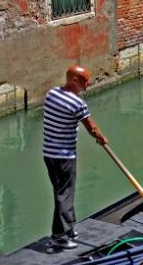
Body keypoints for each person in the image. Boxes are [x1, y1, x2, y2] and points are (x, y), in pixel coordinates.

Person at [43, 65, 107, 252]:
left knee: (62, 193)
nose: (87, 86)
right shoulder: (78, 104)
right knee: (65, 195)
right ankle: (59, 238)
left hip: (48, 154)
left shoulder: (52, 94)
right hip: (64, 156)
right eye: (85, 82)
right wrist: (102, 139)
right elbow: (91, 127)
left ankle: (69, 229)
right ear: (74, 80)